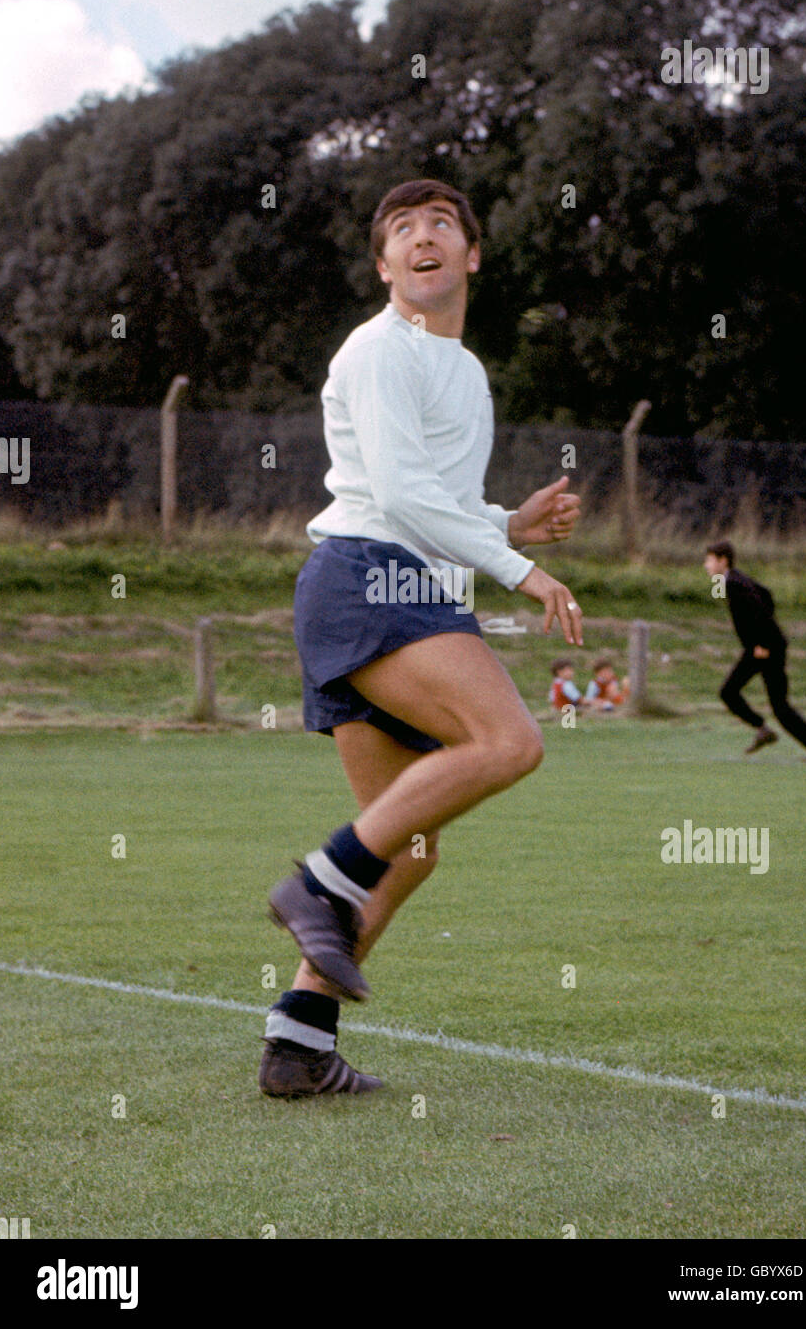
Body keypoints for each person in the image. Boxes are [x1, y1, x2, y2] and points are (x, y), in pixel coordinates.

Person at [259, 178, 584, 1098]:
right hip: (370, 578)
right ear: (385, 265)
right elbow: (397, 498)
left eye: (442, 224)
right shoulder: (376, 348)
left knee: (411, 847)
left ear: (471, 255)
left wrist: (507, 525)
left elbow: (432, 495)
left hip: (395, 584)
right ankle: (321, 881)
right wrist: (524, 572)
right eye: (403, 230)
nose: (423, 237)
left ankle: (297, 1044)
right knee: (510, 742)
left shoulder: (466, 370)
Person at [703, 541, 806, 760]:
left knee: (749, 697)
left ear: (722, 560)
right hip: (760, 646)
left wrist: (762, 643)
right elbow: (767, 594)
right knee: (739, 694)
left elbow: (759, 608)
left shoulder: (735, 583)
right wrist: (717, 580)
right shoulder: (730, 579)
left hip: (766, 648)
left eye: (709, 560)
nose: (705, 565)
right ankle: (771, 732)